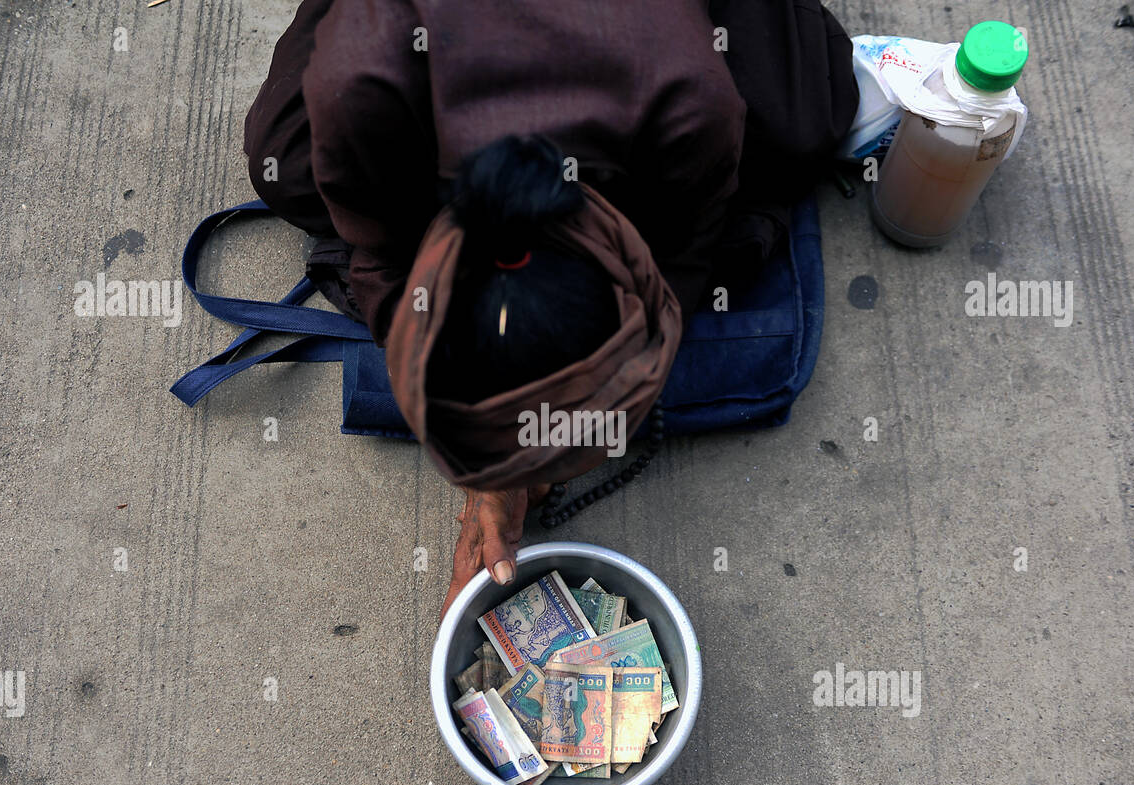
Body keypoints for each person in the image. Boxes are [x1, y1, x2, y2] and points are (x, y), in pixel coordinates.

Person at [242, 0, 858, 616]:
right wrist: (493, 465)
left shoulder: (690, 109)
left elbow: (682, 260)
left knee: (808, 120)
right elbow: (381, 257)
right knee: (287, 165)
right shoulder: (362, 98)